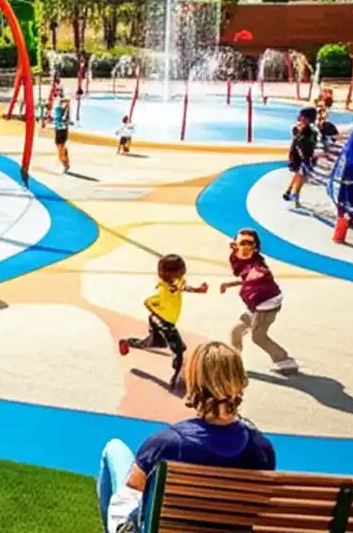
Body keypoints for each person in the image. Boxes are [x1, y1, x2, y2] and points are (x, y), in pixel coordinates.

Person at [97, 342, 276, 533]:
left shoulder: (166, 445)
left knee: (114, 449)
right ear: (240, 382)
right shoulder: (262, 451)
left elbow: (133, 488)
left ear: (194, 383)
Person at [118, 254, 209, 391]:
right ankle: (176, 378)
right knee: (178, 349)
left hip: (163, 320)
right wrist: (157, 311)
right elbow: (150, 301)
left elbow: (182, 287)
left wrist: (197, 290)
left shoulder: (177, 283)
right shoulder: (164, 288)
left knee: (155, 343)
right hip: (163, 322)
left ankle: (128, 342)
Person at [221, 228, 298, 374]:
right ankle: (234, 363)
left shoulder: (258, 264)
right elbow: (245, 276)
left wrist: (259, 275)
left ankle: (284, 361)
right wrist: (229, 284)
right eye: (241, 242)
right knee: (236, 331)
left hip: (266, 303)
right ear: (235, 244)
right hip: (254, 304)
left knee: (258, 337)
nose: (244, 246)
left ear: (254, 246)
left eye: (248, 243)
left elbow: (258, 273)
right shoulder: (239, 258)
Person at [284, 113, 319, 204]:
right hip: (302, 156)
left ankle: (290, 190)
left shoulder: (306, 130)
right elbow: (303, 145)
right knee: (302, 175)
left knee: (299, 173)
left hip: (300, 155)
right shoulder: (305, 132)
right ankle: (295, 194)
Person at [53, 96, 72, 172]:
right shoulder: (64, 110)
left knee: (60, 147)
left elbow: (59, 103)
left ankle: (65, 163)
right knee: (60, 145)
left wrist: (65, 102)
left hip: (60, 130)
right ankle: (65, 162)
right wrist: (67, 104)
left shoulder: (59, 108)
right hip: (62, 129)